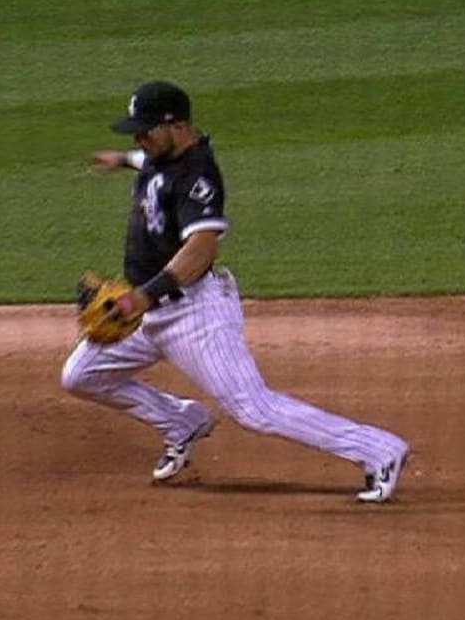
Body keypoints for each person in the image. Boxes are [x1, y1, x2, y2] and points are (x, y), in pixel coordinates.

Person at [60, 80, 411, 503]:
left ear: (178, 126)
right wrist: (122, 159)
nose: (139, 138)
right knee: (81, 376)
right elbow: (151, 166)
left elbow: (200, 247)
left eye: (146, 130)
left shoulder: (198, 175)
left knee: (254, 409)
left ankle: (379, 451)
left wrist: (141, 298)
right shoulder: (160, 156)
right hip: (143, 313)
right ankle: (180, 422)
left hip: (193, 314)